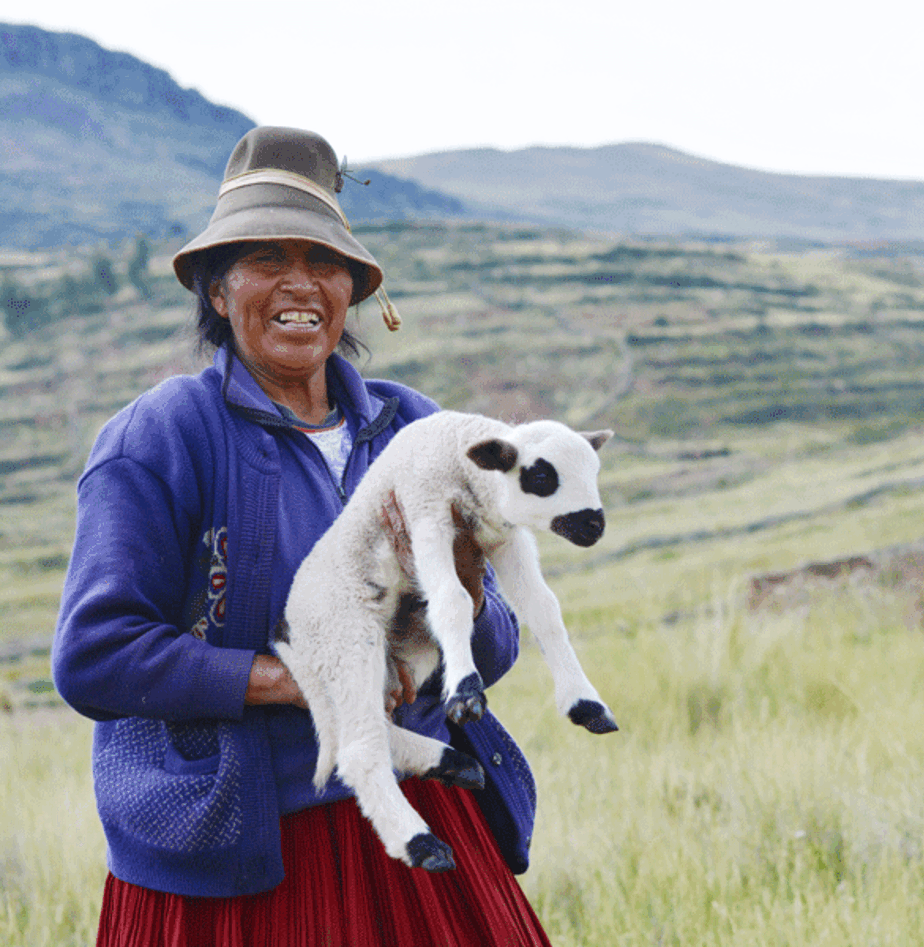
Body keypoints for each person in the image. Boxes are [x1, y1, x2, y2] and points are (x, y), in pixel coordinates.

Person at [52, 126, 551, 946]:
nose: (300, 284)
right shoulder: (161, 436)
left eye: (323, 262)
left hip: (418, 824)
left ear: (352, 290)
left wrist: (460, 581)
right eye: (265, 260)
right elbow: (94, 655)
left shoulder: (415, 429)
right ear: (217, 291)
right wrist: (293, 677)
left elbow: (489, 656)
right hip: (242, 854)